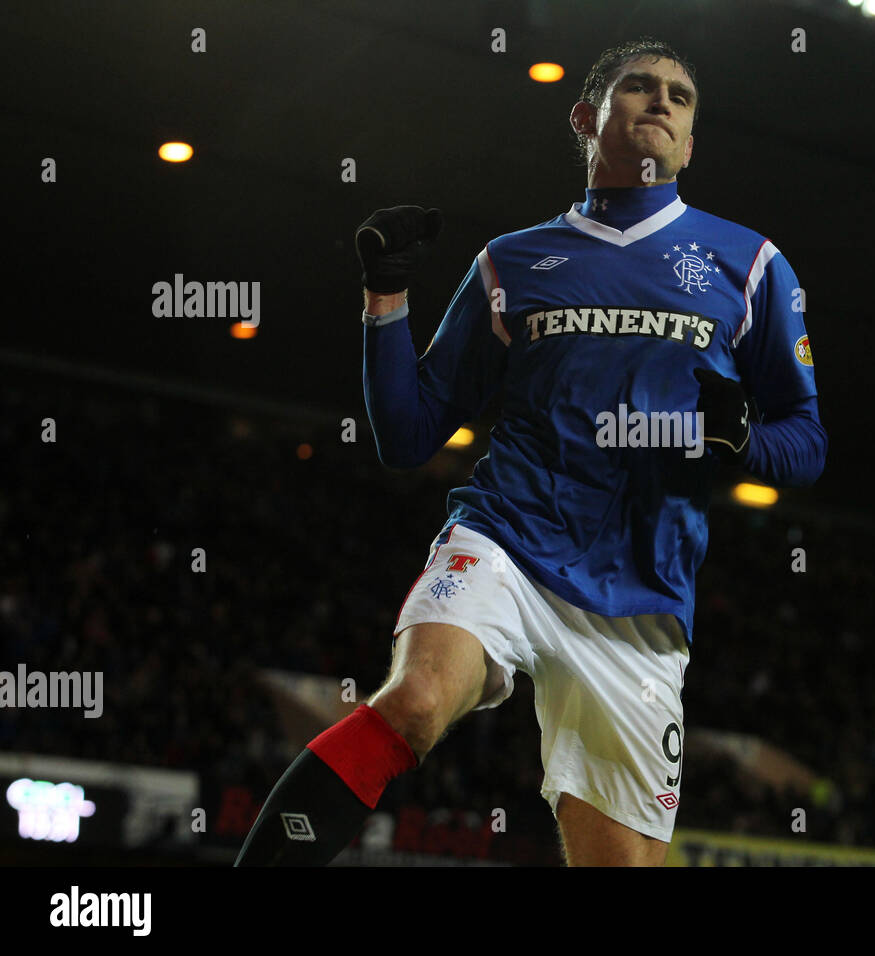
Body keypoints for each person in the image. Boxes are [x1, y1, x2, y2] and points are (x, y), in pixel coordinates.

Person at [235, 37, 827, 867]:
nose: (661, 102)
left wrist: (743, 442)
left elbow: (806, 443)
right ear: (586, 118)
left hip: (642, 597)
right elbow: (408, 437)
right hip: (508, 537)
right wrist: (388, 297)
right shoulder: (510, 262)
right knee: (414, 701)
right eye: (640, 88)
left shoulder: (752, 265)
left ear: (691, 145)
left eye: (680, 98)